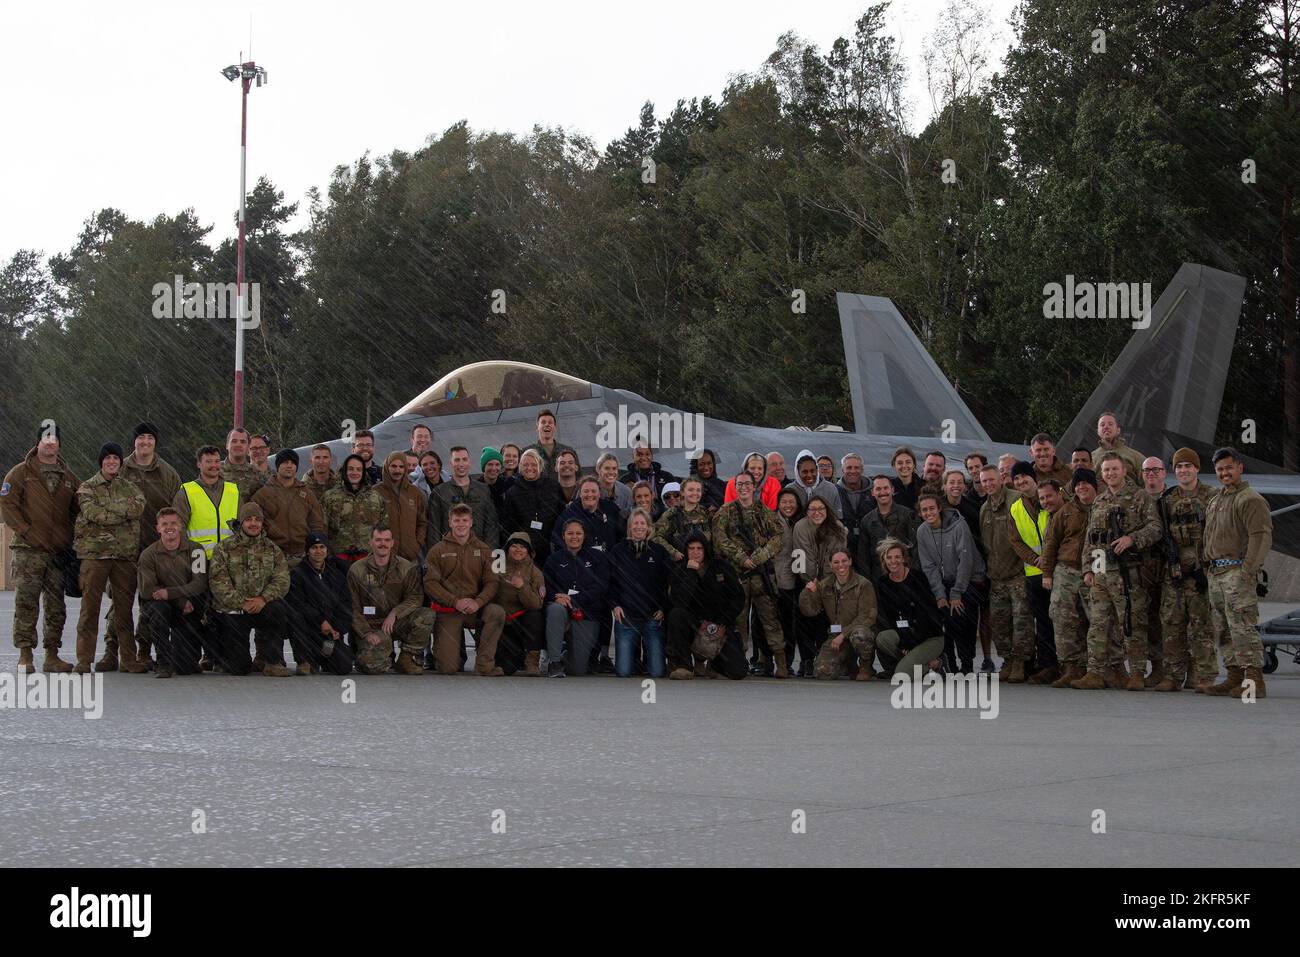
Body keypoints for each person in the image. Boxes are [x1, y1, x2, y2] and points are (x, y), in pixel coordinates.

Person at [1071, 453, 1161, 691]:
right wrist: (1087, 569)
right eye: (1106, 470)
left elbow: (1155, 528)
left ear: (1124, 471)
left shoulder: (1139, 497)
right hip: (1100, 570)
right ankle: (1095, 672)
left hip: (1127, 572)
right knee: (1098, 624)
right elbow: (1090, 538)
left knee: (1132, 623)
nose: (1110, 473)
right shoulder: (1099, 500)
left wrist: (1132, 539)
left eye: (1114, 469)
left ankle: (1137, 673)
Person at [103, 422, 182, 669]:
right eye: (141, 438)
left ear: (155, 442)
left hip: (155, 550)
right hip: (123, 549)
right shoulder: (120, 469)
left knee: (150, 601)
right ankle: (111, 650)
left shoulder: (168, 474)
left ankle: (144, 651)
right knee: (120, 601)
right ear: (134, 442)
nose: (145, 442)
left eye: (150, 437)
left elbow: (175, 512)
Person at [1, 425, 80, 674]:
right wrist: (26, 531)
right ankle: (25, 655)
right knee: (27, 603)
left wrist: (71, 538)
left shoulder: (68, 477)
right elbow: (7, 504)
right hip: (29, 552)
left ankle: (52, 655)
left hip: (57, 554)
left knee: (56, 606)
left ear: (59, 444)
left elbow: (79, 509)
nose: (50, 443)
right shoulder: (20, 474)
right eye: (46, 438)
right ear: (38, 443)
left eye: (55, 438)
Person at [1200, 446, 1273, 698]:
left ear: (1240, 467)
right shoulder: (1216, 500)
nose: (1224, 473)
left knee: (1243, 627)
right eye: (1220, 469)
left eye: (1229, 468)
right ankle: (1233, 676)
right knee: (1224, 630)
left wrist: (1248, 571)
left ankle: (1254, 680)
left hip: (1236, 572)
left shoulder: (1250, 499)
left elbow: (1260, 536)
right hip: (1216, 574)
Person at [73, 443, 146, 674]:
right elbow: (92, 513)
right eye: (108, 458)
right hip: (95, 555)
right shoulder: (87, 487)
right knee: (89, 610)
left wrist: (109, 509)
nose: (112, 462)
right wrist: (120, 512)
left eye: (116, 458)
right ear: (101, 462)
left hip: (124, 556)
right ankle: (84, 660)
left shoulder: (130, 487)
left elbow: (138, 508)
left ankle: (128, 659)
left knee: (124, 610)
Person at [713, 471, 788, 678]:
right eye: (739, 484)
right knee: (739, 622)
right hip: (737, 576)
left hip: (761, 575)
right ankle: (739, 661)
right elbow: (720, 540)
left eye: (747, 484)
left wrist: (759, 556)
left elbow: (778, 537)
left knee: (770, 620)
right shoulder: (725, 512)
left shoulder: (764, 511)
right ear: (735, 487)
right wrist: (741, 558)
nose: (743, 487)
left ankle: (780, 662)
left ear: (754, 487)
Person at [1153, 448, 1214, 692]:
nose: (1183, 471)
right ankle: (1173, 676)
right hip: (1175, 570)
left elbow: (1216, 532)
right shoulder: (1167, 499)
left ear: (1197, 469)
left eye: (1188, 466)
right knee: (1172, 623)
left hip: (1201, 569)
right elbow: (1160, 533)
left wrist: (1206, 566)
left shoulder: (1211, 496)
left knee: (1201, 625)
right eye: (1179, 467)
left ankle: (1205, 675)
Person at [207, 503, 292, 677]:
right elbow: (218, 582)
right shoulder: (224, 548)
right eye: (248, 519)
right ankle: (225, 657)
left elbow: (282, 580)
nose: (253, 524)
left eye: (257, 520)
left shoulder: (272, 549)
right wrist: (241, 603)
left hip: (262, 606)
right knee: (239, 669)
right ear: (241, 522)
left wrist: (263, 599)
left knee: (277, 609)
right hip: (234, 609)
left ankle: (272, 661)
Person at [424, 503, 505, 676]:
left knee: (496, 612)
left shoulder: (484, 549)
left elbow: (492, 582)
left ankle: (484, 664)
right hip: (448, 610)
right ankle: (449, 648)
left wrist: (478, 602)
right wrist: (454, 601)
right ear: (450, 522)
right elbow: (430, 583)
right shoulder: (437, 551)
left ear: (471, 522)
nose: (461, 524)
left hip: (475, 608)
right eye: (457, 520)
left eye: (465, 520)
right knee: (447, 668)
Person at [347, 525, 434, 675]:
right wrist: (366, 633)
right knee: (372, 666)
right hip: (371, 625)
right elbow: (352, 607)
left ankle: (407, 658)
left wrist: (395, 613)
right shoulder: (356, 570)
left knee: (426, 615)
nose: (383, 544)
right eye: (378, 540)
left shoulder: (407, 567)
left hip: (396, 623)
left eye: (387, 540)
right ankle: (375, 655)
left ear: (392, 542)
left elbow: (415, 597)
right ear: (371, 543)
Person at [915, 491, 983, 674]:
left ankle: (967, 665)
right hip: (943, 581)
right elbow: (928, 567)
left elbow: (966, 559)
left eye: (932, 509)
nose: (928, 513)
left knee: (963, 620)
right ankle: (950, 664)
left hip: (967, 579)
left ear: (939, 509)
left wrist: (956, 593)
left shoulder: (959, 525)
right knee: (945, 622)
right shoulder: (922, 531)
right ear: (920, 513)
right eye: (924, 510)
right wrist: (940, 595)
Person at [136, 507, 207, 678]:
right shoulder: (148, 555)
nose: (170, 527)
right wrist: (178, 600)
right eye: (164, 524)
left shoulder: (196, 550)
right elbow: (147, 589)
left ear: (181, 525)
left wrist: (170, 593)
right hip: (166, 607)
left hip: (188, 609)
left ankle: (188, 656)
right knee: (158, 609)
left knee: (185, 668)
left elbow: (199, 584)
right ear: (158, 528)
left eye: (173, 523)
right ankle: (163, 663)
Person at [665, 532, 747, 680]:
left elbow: (738, 597)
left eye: (699, 548)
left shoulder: (720, 566)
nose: (695, 552)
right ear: (686, 550)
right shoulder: (680, 570)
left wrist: (723, 622)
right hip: (693, 625)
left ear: (705, 549)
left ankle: (714, 664)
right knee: (676, 615)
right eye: (691, 548)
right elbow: (679, 601)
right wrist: (690, 573)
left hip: (719, 624)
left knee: (738, 671)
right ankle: (684, 665)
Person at [1041, 471, 1093, 687]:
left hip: (1094, 571)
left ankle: (1099, 667)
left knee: (1097, 619)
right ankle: (1071, 667)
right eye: (1077, 484)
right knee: (1062, 617)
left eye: (1085, 484)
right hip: (1066, 569)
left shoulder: (1103, 507)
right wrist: (1046, 573)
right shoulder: (1066, 511)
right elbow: (1051, 543)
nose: (1081, 488)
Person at [1007, 461, 1058, 681]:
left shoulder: (1049, 500)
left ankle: (1071, 663)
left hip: (1057, 569)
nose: (1020, 481)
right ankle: (1048, 665)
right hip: (1034, 572)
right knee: (1043, 620)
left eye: (1024, 477)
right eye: (1016, 479)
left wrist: (1048, 561)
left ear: (1033, 477)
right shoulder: (1016, 508)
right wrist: (1035, 560)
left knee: (1065, 618)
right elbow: (1016, 541)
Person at [979, 463, 1030, 680]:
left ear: (1001, 479)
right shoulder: (984, 509)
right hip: (996, 576)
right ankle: (1007, 661)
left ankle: (1020, 663)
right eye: (984, 481)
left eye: (991, 480)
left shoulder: (1016, 499)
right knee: (999, 623)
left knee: (1021, 622)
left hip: (1018, 573)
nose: (989, 484)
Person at [542, 520, 611, 677]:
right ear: (563, 536)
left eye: (578, 533)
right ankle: (554, 662)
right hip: (562, 609)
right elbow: (545, 585)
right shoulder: (554, 559)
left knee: (577, 670)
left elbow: (601, 587)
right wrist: (555, 596)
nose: (574, 537)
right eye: (570, 533)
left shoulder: (597, 557)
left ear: (584, 535)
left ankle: (566, 653)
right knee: (554, 609)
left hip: (586, 613)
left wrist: (575, 599)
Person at [872, 538, 947, 677]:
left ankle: (937, 664)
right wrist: (904, 641)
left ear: (904, 559)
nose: (893, 561)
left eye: (897, 557)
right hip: (907, 632)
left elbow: (928, 615)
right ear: (884, 560)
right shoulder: (883, 583)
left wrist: (911, 643)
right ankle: (919, 662)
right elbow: (893, 617)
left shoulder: (917, 577)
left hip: (929, 635)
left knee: (902, 673)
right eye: (889, 557)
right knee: (882, 638)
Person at [284, 531, 356, 676]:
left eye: (322, 547)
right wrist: (320, 621)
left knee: (344, 666)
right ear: (307, 551)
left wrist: (337, 628)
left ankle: (322, 658)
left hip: (330, 632)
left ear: (327, 550)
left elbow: (346, 604)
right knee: (296, 618)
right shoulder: (297, 574)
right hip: (307, 630)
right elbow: (298, 604)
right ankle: (305, 661)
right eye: (314, 547)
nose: (318, 551)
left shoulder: (337, 575)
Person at [609, 508, 670, 677]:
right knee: (623, 672)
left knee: (657, 672)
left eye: (642, 523)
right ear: (629, 527)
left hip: (652, 618)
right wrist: (615, 605)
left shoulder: (659, 552)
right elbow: (611, 583)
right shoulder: (618, 551)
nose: (639, 526)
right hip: (626, 618)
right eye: (635, 523)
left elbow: (666, 584)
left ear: (649, 527)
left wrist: (663, 607)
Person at [801, 547, 878, 680]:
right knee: (822, 672)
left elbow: (867, 617)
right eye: (836, 562)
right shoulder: (824, 585)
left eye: (844, 561)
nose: (840, 565)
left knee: (861, 634)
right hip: (836, 636)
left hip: (856, 632)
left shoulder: (863, 584)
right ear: (830, 565)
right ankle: (848, 664)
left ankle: (866, 666)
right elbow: (810, 611)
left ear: (850, 561)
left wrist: (844, 634)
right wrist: (808, 592)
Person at [252, 449, 325, 567]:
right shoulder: (262, 495)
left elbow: (317, 523)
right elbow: (254, 525)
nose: (289, 466)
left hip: (303, 556)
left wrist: (315, 546)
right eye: (285, 462)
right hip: (274, 556)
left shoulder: (306, 493)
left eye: (293, 463)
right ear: (277, 465)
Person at [501, 448, 567, 563]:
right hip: (525, 550)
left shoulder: (553, 486)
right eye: (525, 465)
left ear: (540, 466)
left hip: (551, 547)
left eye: (533, 464)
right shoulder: (512, 492)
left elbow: (563, 515)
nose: (529, 468)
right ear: (520, 467)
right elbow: (508, 525)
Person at [495, 532, 546, 676]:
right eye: (514, 546)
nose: (518, 550)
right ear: (507, 548)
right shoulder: (497, 566)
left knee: (535, 615)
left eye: (523, 547)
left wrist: (522, 587)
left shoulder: (535, 573)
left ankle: (532, 659)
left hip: (523, 622)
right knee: (507, 668)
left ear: (529, 551)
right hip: (502, 621)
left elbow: (537, 603)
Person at [1138, 456, 1169, 686]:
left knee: (1177, 619)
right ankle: (1158, 668)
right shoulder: (1137, 500)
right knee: (1151, 619)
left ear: (1164, 473)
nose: (1151, 474)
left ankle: (1189, 670)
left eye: (1155, 470)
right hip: (1146, 567)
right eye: (1147, 471)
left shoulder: (1175, 499)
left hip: (1173, 566)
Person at [321, 454, 386, 563]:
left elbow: (383, 527)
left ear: (363, 472)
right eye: (351, 469)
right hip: (338, 557)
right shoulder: (330, 497)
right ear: (345, 471)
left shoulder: (375, 497)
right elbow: (322, 527)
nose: (355, 472)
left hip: (368, 557)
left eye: (358, 469)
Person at [773, 487, 808, 675]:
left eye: (791, 502)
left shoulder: (802, 522)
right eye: (784, 502)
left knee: (793, 625)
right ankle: (771, 663)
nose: (788, 505)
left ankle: (794, 662)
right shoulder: (772, 521)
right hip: (777, 579)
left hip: (800, 579)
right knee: (773, 623)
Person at [372, 449, 428, 562]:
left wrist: (416, 544)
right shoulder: (376, 491)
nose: (397, 470)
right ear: (387, 467)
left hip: (410, 556)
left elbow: (422, 522)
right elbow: (369, 523)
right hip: (383, 556)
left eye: (401, 467)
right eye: (393, 466)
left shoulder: (415, 493)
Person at [859, 475, 918, 578]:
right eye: (878, 489)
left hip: (904, 575)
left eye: (886, 488)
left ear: (892, 490)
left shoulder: (908, 515)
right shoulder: (866, 521)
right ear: (872, 492)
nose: (882, 492)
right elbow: (863, 556)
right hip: (878, 578)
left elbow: (916, 549)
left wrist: (912, 574)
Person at [553, 476, 622, 553]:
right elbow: (557, 541)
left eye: (593, 491)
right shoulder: (569, 514)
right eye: (586, 491)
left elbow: (621, 535)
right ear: (580, 494)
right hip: (580, 561)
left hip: (607, 559)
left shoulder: (611, 509)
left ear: (599, 494)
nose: (589, 494)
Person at [652, 476, 714, 561]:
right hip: (682, 565)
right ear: (682, 492)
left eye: (698, 490)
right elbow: (655, 536)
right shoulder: (672, 514)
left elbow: (716, 539)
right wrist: (673, 552)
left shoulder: (707, 513)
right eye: (690, 490)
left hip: (706, 564)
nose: (695, 493)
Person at [792, 494, 848, 588]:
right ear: (807, 511)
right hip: (808, 581)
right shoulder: (800, 527)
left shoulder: (837, 527)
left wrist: (826, 583)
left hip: (834, 579)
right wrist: (810, 581)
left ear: (827, 510)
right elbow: (803, 557)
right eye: (813, 509)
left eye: (821, 508)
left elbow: (836, 557)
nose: (817, 513)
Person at [836, 453, 873, 573]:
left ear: (862, 469)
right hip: (845, 547)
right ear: (842, 470)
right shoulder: (834, 492)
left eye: (856, 468)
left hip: (869, 546)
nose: (853, 471)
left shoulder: (873, 491)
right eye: (849, 468)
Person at [1092, 412, 1145, 487]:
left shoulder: (1135, 457)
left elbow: (1147, 483)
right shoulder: (1090, 458)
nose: (1106, 427)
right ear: (1098, 431)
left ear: (1118, 430)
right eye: (1102, 425)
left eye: (1110, 424)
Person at [524, 409, 578, 473]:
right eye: (543, 422)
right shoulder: (526, 452)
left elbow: (578, 477)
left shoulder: (569, 451)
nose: (547, 424)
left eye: (550, 422)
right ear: (537, 428)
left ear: (555, 427)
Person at [791, 450, 842, 518]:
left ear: (817, 470)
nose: (809, 475)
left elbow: (837, 517)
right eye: (805, 472)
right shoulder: (790, 490)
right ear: (797, 472)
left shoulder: (831, 489)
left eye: (812, 471)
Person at [221, 428, 266, 502]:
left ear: (248, 447)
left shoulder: (258, 475)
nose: (238, 444)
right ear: (227, 445)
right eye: (234, 441)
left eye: (243, 442)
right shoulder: (215, 470)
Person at [595, 452, 633, 517]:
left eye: (614, 468)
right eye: (607, 468)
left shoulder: (626, 492)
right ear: (598, 470)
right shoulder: (588, 489)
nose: (611, 472)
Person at [480, 447, 515, 517]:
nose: (494, 468)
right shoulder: (476, 487)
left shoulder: (507, 485)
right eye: (490, 464)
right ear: (484, 467)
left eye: (497, 465)